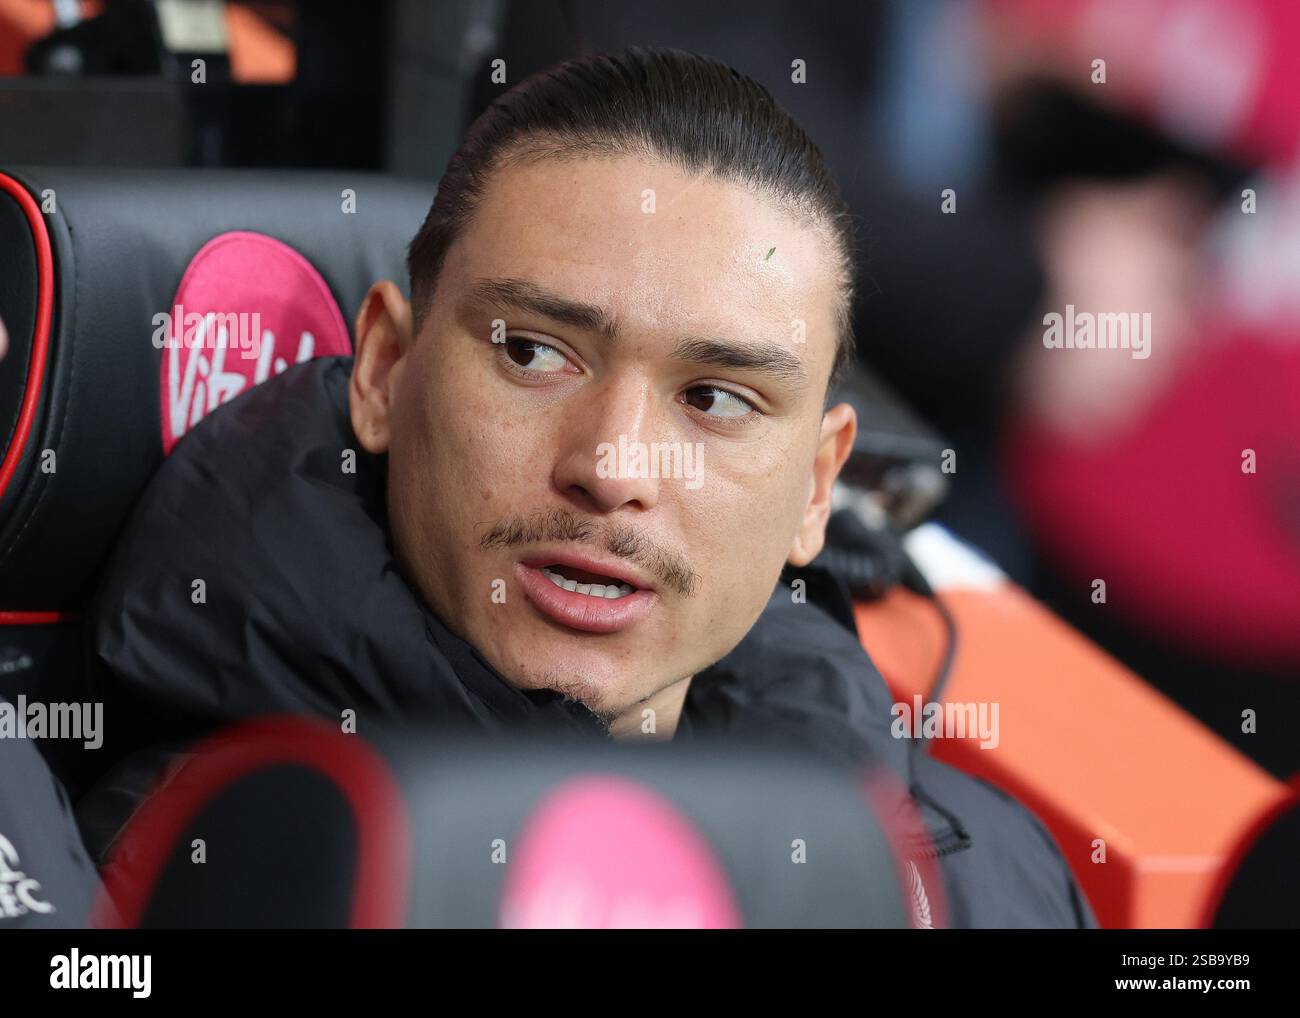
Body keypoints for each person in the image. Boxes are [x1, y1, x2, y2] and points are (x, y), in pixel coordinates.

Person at [81, 48, 1093, 928]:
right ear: (385, 370)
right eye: (532, 352)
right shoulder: (189, 874)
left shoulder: (989, 881)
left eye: (716, 399)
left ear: (817, 489)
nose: (611, 469)